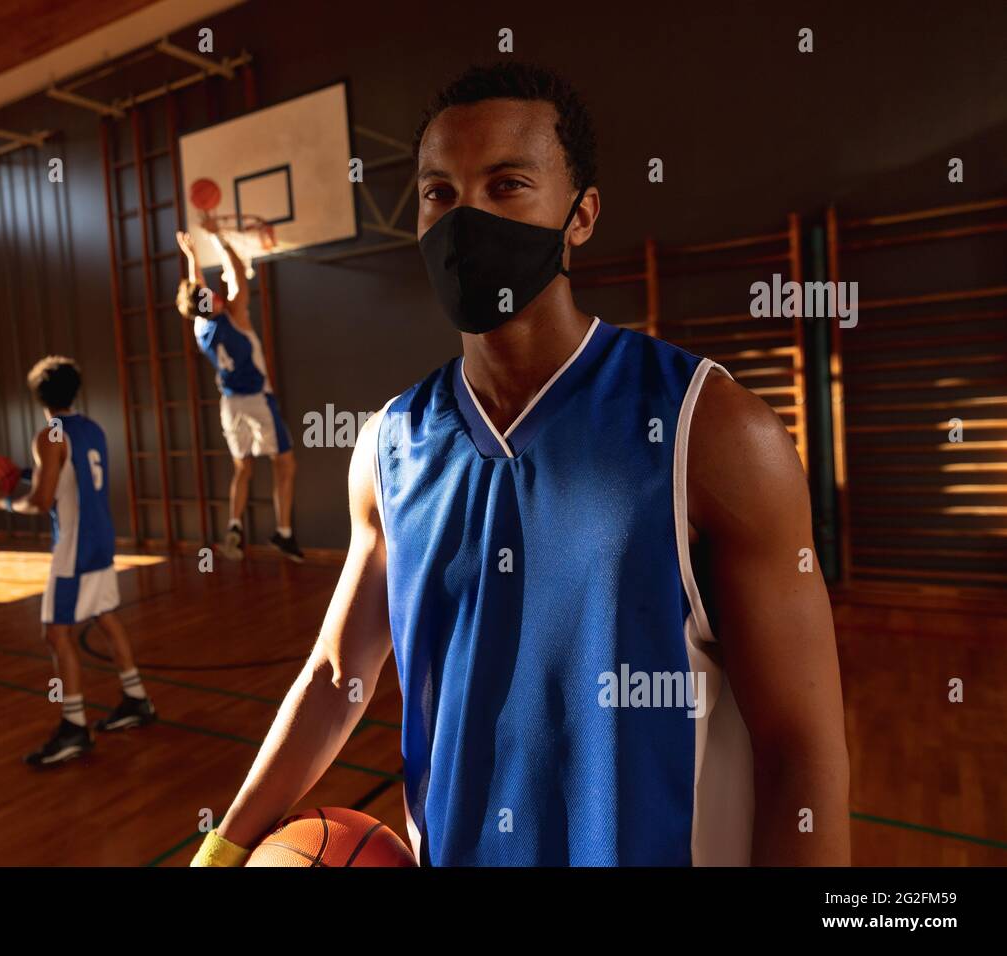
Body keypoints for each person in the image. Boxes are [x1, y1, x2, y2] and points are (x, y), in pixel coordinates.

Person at [191, 62, 849, 867]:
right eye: (440, 193)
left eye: (507, 185)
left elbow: (802, 750)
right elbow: (336, 679)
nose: (466, 218)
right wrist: (222, 847)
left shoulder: (708, 430)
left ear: (581, 215)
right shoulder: (390, 446)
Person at [0, 356, 156, 766]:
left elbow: (42, 501)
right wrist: (27, 472)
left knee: (56, 635)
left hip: (74, 548)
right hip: (102, 540)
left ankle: (74, 728)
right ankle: (137, 699)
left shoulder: (49, 435)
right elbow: (69, 476)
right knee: (106, 616)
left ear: (39, 396)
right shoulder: (91, 429)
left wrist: (0, 500)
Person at [176, 226, 303, 562]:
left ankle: (234, 524)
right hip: (257, 400)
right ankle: (284, 532)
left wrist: (192, 259)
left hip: (229, 405)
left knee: (243, 467)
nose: (213, 293)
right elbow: (235, 275)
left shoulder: (199, 327)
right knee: (285, 463)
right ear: (211, 303)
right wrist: (220, 240)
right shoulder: (235, 314)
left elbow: (196, 291)